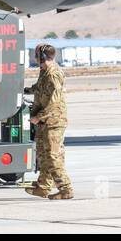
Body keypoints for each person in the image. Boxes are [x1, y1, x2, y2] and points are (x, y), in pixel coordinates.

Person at [27, 42, 73, 199]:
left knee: (53, 156)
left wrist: (37, 117)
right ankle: (44, 186)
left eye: (36, 55)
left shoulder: (53, 74)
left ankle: (65, 189)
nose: (34, 58)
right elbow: (40, 88)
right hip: (44, 122)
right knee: (43, 154)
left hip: (52, 122)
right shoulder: (44, 72)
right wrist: (25, 90)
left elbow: (54, 102)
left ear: (42, 57)